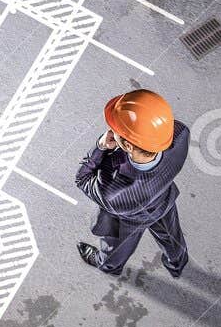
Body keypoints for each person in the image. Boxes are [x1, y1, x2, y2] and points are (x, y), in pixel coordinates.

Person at [73, 89, 190, 278]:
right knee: (172, 238)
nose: (112, 131)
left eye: (116, 131)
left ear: (127, 146)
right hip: (163, 202)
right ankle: (177, 264)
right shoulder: (181, 136)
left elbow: (83, 178)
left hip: (128, 221)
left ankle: (109, 266)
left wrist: (101, 147)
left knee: (115, 250)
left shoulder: (114, 194)